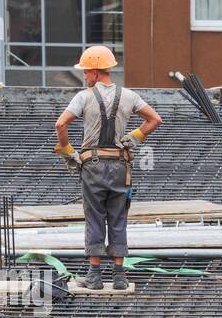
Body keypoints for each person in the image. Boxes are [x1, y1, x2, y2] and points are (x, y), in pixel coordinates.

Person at [53, 45, 162, 291]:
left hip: (93, 166)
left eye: (85, 72)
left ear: (94, 71)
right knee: (118, 217)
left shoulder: (83, 97)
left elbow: (60, 124)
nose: (84, 76)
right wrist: (134, 136)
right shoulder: (130, 96)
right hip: (120, 167)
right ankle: (119, 276)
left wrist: (68, 152)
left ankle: (94, 275)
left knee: (94, 218)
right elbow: (155, 119)